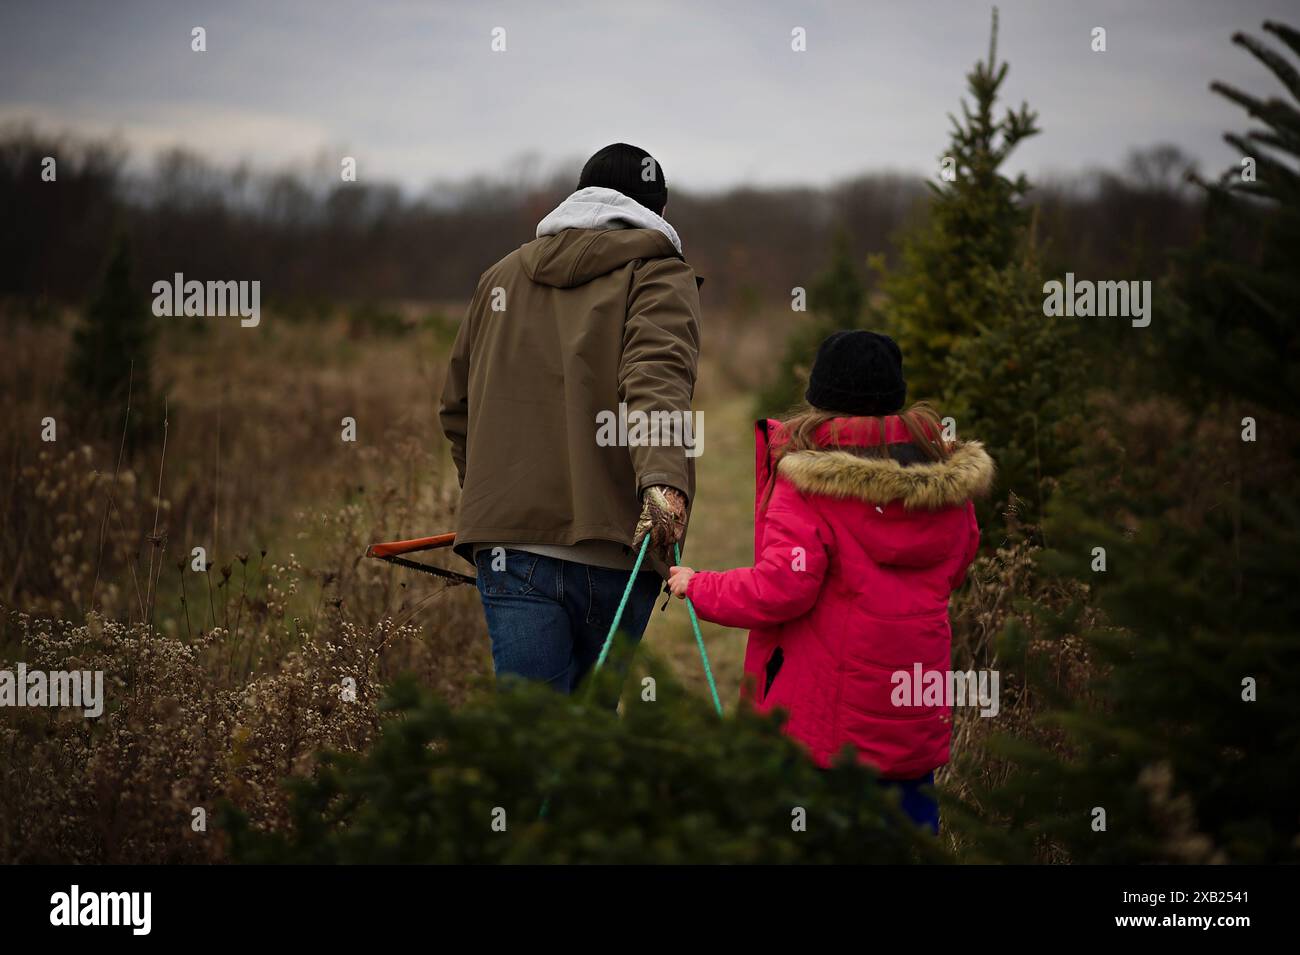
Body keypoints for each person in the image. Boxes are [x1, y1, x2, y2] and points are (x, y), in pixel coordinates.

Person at [667, 330, 994, 832]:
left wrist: (699, 586)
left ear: (820, 401)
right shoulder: (946, 483)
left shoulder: (810, 483)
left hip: (823, 732)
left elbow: (780, 590)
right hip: (913, 719)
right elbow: (958, 564)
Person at [439, 143, 701, 694]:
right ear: (658, 210)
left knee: (530, 740)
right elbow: (656, 379)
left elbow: (456, 407)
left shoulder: (499, 277)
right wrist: (662, 482)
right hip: (615, 547)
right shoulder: (658, 273)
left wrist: (493, 497)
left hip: (509, 548)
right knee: (585, 743)